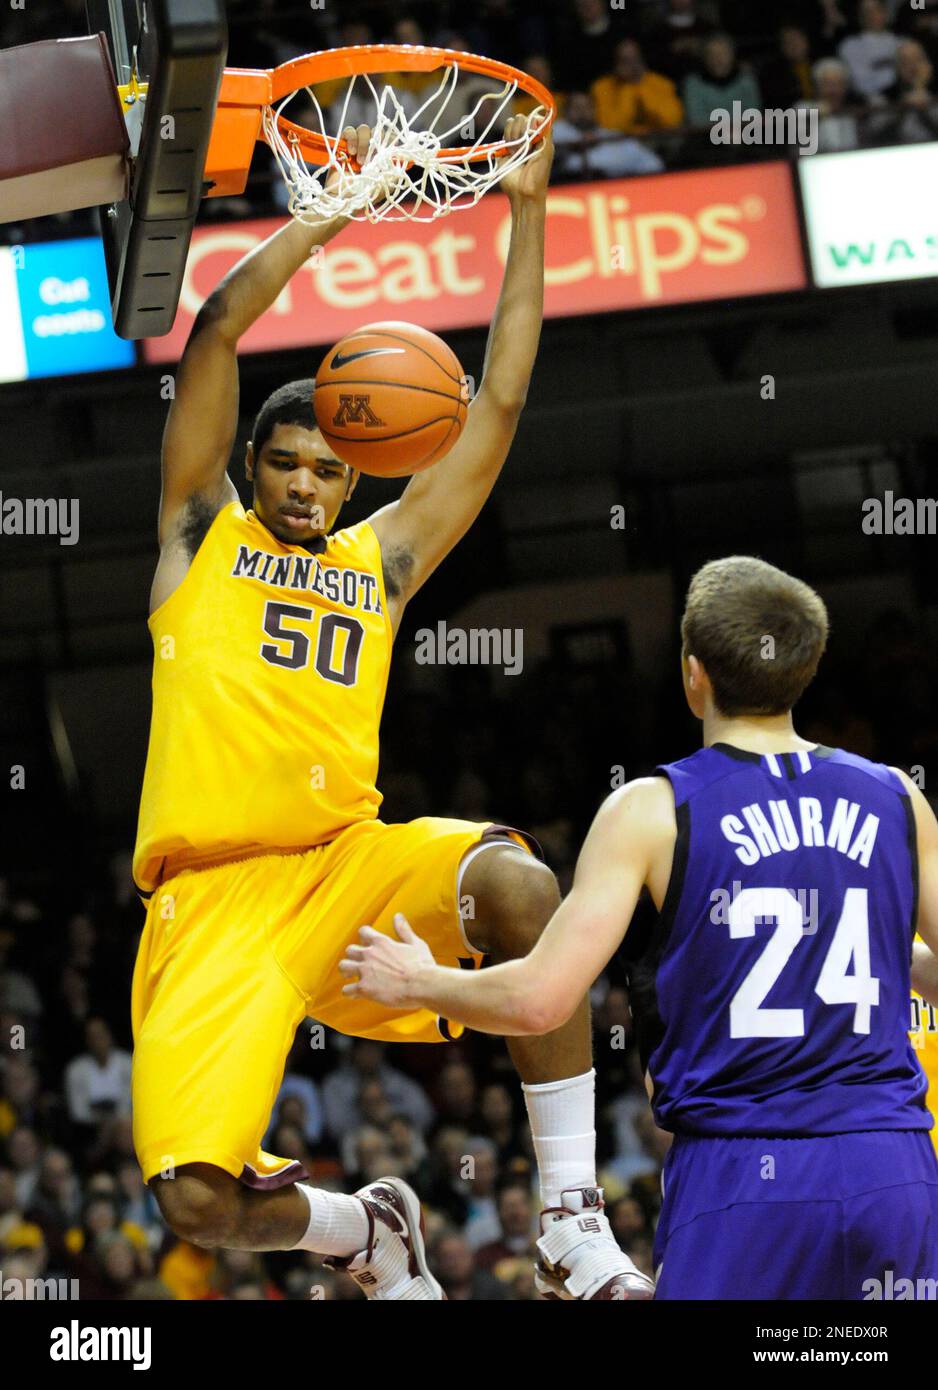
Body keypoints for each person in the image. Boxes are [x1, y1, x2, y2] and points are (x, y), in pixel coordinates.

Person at [129, 115, 648, 1303]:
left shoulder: (385, 561)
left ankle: (570, 1216)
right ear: (249, 470)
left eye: (327, 467)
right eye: (285, 464)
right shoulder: (196, 538)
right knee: (198, 1205)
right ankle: (361, 1236)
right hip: (210, 905)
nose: (307, 483)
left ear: (354, 472)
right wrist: (325, 211)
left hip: (345, 863)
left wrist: (527, 212)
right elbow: (213, 331)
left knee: (521, 885)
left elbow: (499, 405)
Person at [346, 555, 938, 1300]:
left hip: (744, 1176)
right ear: (807, 667)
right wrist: (898, 959)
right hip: (894, 1167)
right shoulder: (896, 799)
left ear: (694, 674)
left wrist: (421, 981)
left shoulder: (653, 808)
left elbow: (540, 1001)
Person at [552, 90, 664, 179]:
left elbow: (653, 163)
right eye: (576, 107)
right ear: (566, 111)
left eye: (587, 107)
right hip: (573, 186)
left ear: (595, 110)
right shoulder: (557, 130)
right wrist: (575, 146)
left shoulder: (611, 135)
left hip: (617, 186)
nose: (582, 111)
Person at [591, 39, 684, 136]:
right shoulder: (601, 87)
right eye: (625, 61)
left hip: (657, 139)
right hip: (621, 141)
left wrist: (639, 85)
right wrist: (627, 85)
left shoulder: (661, 83)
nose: (632, 65)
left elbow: (672, 121)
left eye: (635, 59)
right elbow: (609, 127)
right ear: (615, 62)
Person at [681, 33, 762, 130]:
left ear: (732, 55)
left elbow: (753, 114)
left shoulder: (747, 80)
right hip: (706, 139)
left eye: (723, 53)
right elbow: (697, 120)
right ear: (704, 57)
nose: (718, 59)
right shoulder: (693, 83)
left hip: (745, 136)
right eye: (711, 54)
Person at [837, 0, 901, 102]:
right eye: (867, 11)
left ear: (886, 13)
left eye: (877, 10)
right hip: (868, 101)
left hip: (901, 97)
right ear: (860, 17)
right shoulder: (850, 46)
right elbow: (859, 82)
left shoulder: (901, 43)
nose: (872, 15)